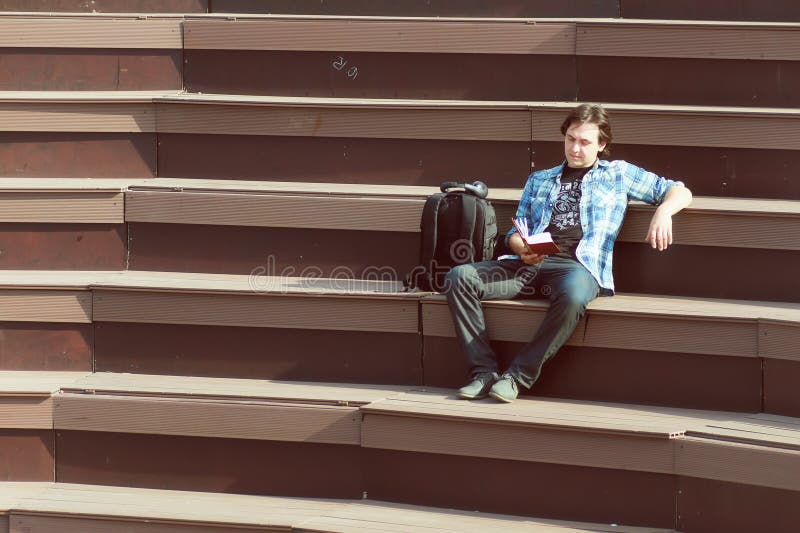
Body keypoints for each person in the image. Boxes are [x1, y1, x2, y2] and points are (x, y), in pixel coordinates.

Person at [444, 103, 693, 403]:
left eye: (585, 142)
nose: (575, 149)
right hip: (527, 265)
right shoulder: (540, 179)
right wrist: (520, 246)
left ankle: (517, 376)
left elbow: (679, 190)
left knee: (575, 295)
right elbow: (515, 232)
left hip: (577, 267)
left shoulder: (618, 174)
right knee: (460, 277)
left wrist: (664, 211)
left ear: (601, 144)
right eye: (570, 139)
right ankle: (483, 372)